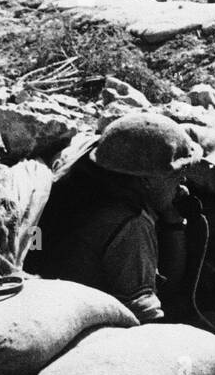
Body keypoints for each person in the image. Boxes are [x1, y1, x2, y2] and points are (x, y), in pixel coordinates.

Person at [36, 113, 202, 323]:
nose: (183, 180)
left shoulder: (78, 190)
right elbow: (145, 314)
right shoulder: (131, 223)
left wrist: (171, 221)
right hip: (85, 324)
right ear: (145, 180)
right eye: (178, 172)